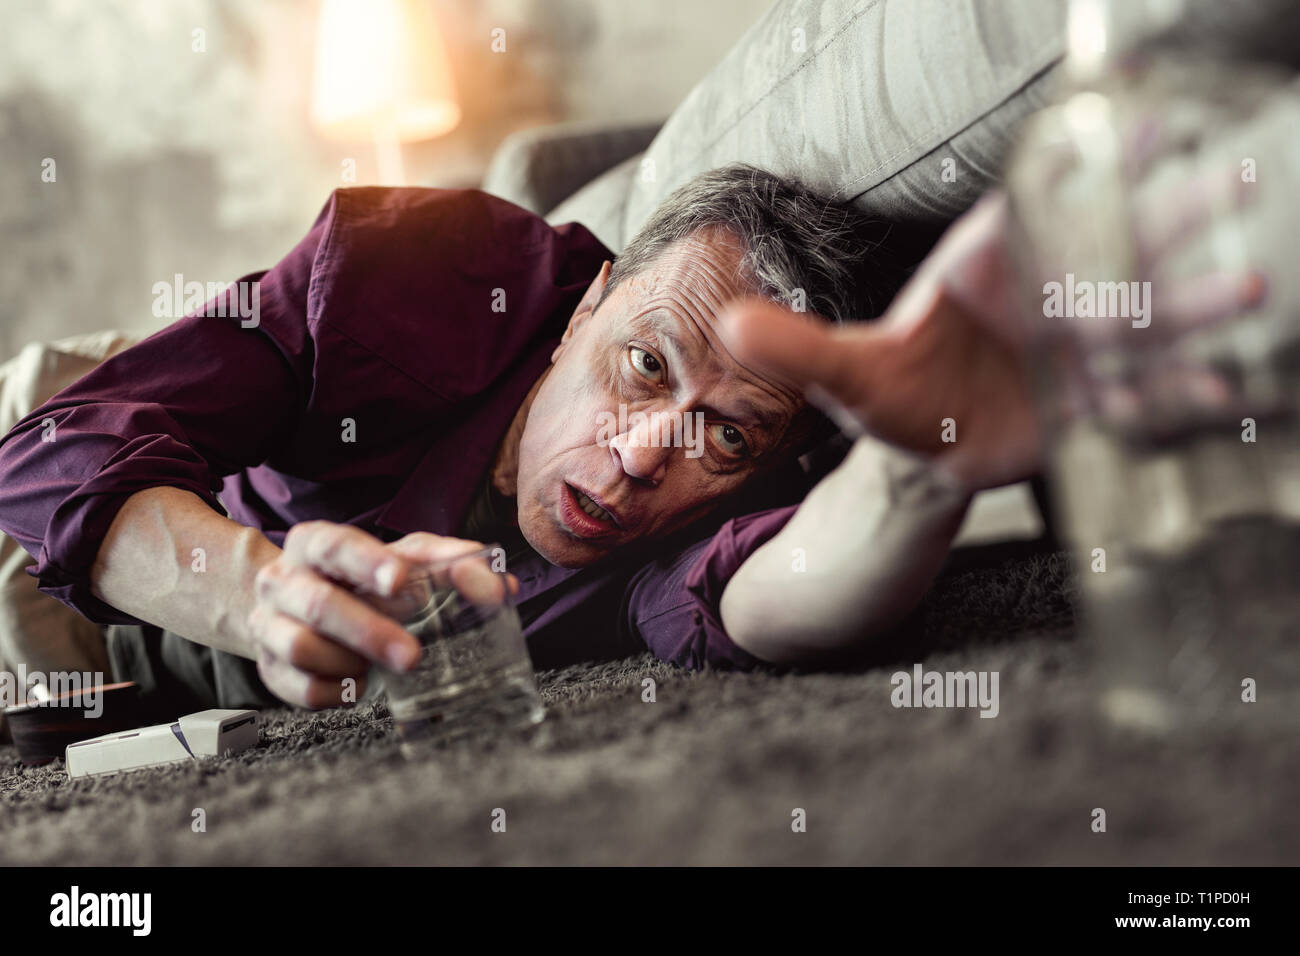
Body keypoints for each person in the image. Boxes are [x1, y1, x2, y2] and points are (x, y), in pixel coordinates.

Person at [0, 165, 901, 711]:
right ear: (585, 308)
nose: (640, 457)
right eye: (646, 366)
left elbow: (759, 600)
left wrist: (923, 470)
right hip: (102, 484)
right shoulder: (423, 279)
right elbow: (53, 453)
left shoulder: (730, 502)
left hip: (143, 677)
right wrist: (265, 596)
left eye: (729, 438)